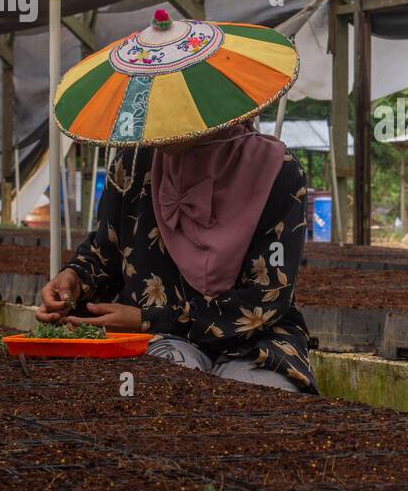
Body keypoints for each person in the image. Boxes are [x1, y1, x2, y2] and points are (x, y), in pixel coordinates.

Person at [38, 126, 315, 393]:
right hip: (154, 338)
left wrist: (150, 318)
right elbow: (104, 252)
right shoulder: (134, 161)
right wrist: (75, 279)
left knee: (260, 406)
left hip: (256, 340)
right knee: (159, 392)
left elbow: (266, 297)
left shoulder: (277, 170)